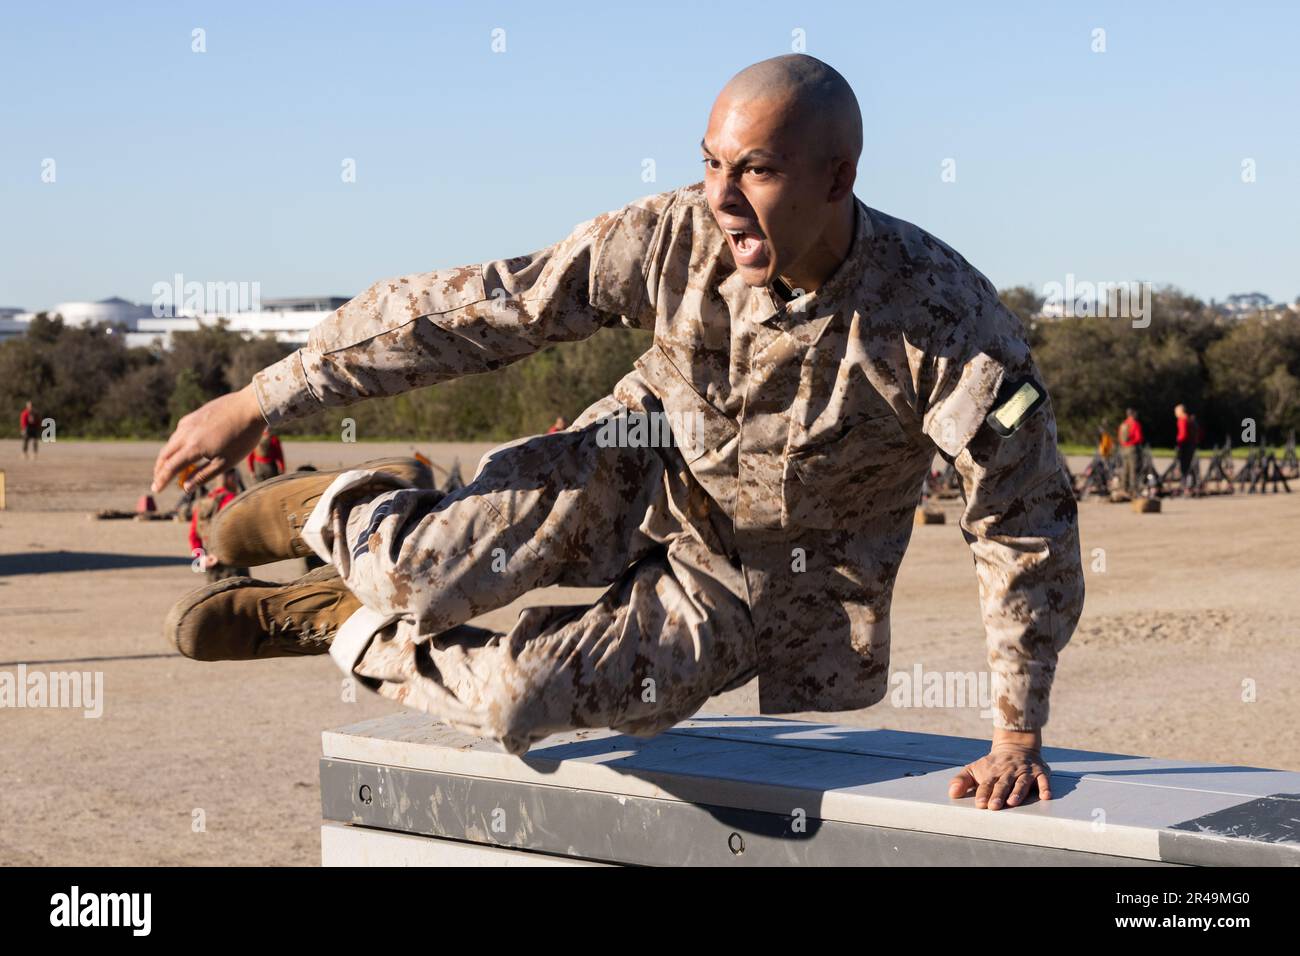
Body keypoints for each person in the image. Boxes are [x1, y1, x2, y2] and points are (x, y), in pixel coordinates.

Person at [152, 55, 1084, 813]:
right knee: (420, 572)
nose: (721, 195)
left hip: (759, 577)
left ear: (838, 176)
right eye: (712, 161)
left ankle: (341, 624)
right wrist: (262, 401)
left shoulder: (945, 324)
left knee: (516, 704)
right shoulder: (674, 233)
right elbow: (484, 310)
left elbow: (1022, 517)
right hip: (639, 456)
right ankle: (337, 512)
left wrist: (1016, 733)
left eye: (755, 169)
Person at [187, 470, 249, 582]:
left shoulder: (203, 503)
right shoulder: (235, 501)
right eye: (236, 478)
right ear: (231, 478)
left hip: (210, 561)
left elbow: (193, 536)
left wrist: (201, 558)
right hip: (234, 562)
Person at [1174, 404, 1200, 494]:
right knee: (1189, 465)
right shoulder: (1190, 419)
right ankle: (1191, 485)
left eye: (1176, 411)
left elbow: (1183, 434)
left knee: (1184, 467)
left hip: (1184, 445)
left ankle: (1185, 486)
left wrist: (1178, 440)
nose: (1175, 413)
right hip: (1191, 445)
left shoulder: (1182, 420)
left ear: (1181, 411)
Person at [1118, 407, 1144, 496]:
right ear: (1133, 414)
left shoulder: (1123, 424)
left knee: (1125, 469)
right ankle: (1134, 490)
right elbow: (1139, 438)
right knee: (1134, 470)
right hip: (1132, 449)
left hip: (1124, 449)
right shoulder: (1135, 424)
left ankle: (1124, 488)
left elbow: (1120, 438)